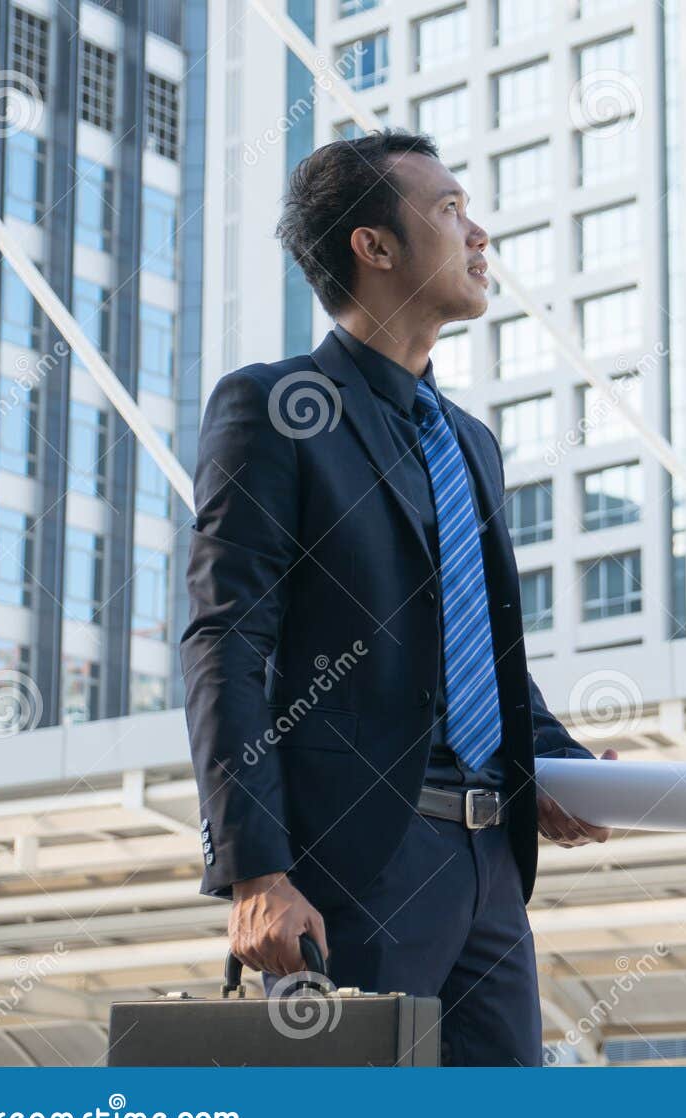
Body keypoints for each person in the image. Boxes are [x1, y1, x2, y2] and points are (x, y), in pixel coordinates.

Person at [180, 128, 613, 1066]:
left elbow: (481, 656)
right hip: (355, 866)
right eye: (451, 210)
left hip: (491, 869)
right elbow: (227, 639)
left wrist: (562, 765)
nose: (480, 233)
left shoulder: (470, 442)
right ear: (372, 247)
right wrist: (255, 867)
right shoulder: (275, 408)